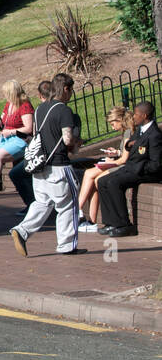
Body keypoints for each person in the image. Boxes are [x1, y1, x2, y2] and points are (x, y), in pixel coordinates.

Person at [9, 79, 80, 256]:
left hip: (40, 166)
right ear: (65, 89)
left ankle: (22, 230)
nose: (71, 94)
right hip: (59, 166)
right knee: (67, 206)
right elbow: (67, 139)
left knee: (42, 203)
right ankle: (67, 245)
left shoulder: (41, 109)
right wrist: (78, 142)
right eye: (71, 90)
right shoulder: (64, 110)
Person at [95, 100, 162, 238]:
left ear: (144, 115)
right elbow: (130, 146)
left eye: (136, 114)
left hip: (145, 172)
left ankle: (124, 225)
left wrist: (139, 167)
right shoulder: (140, 130)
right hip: (132, 167)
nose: (133, 117)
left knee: (114, 183)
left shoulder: (154, 134)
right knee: (102, 181)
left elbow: (156, 164)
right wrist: (129, 145)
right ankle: (111, 222)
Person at [77, 105, 134, 231]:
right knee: (91, 176)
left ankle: (78, 209)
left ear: (120, 120)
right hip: (120, 162)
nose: (112, 127)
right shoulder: (126, 132)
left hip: (123, 166)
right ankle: (89, 220)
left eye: (113, 124)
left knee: (91, 175)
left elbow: (124, 160)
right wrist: (117, 153)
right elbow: (125, 153)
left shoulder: (129, 133)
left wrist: (110, 162)